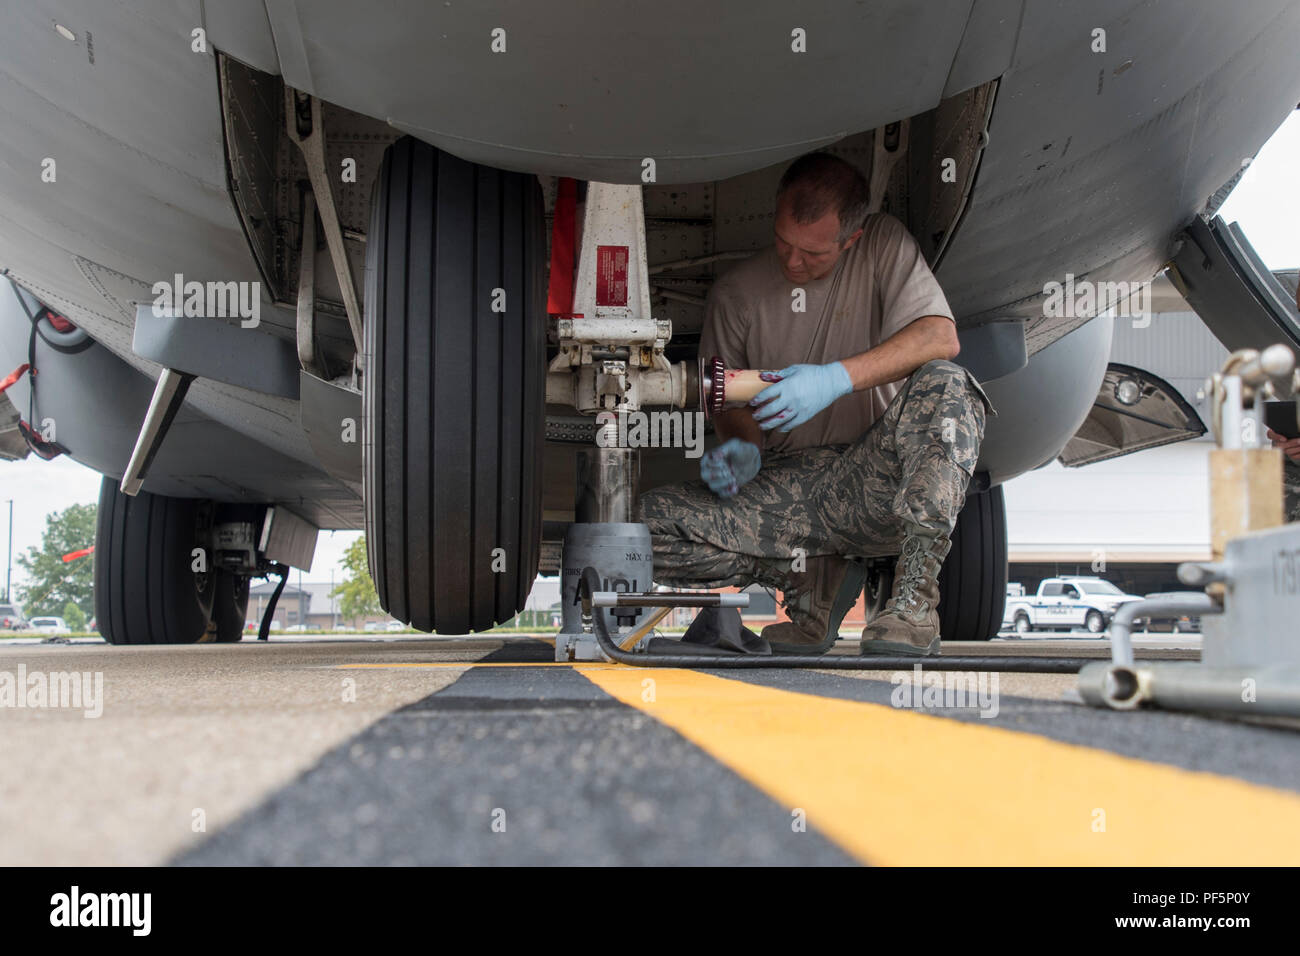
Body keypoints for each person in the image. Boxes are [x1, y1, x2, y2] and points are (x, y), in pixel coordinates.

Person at [639, 152, 992, 657]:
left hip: (876, 474)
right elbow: (728, 398)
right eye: (784, 242)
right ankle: (810, 581)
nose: (793, 261)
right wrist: (744, 447)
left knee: (946, 383)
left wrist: (836, 378)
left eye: (813, 252)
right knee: (640, 527)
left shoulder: (882, 247)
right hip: (792, 488)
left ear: (852, 239)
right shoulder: (736, 295)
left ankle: (914, 598)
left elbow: (939, 336)